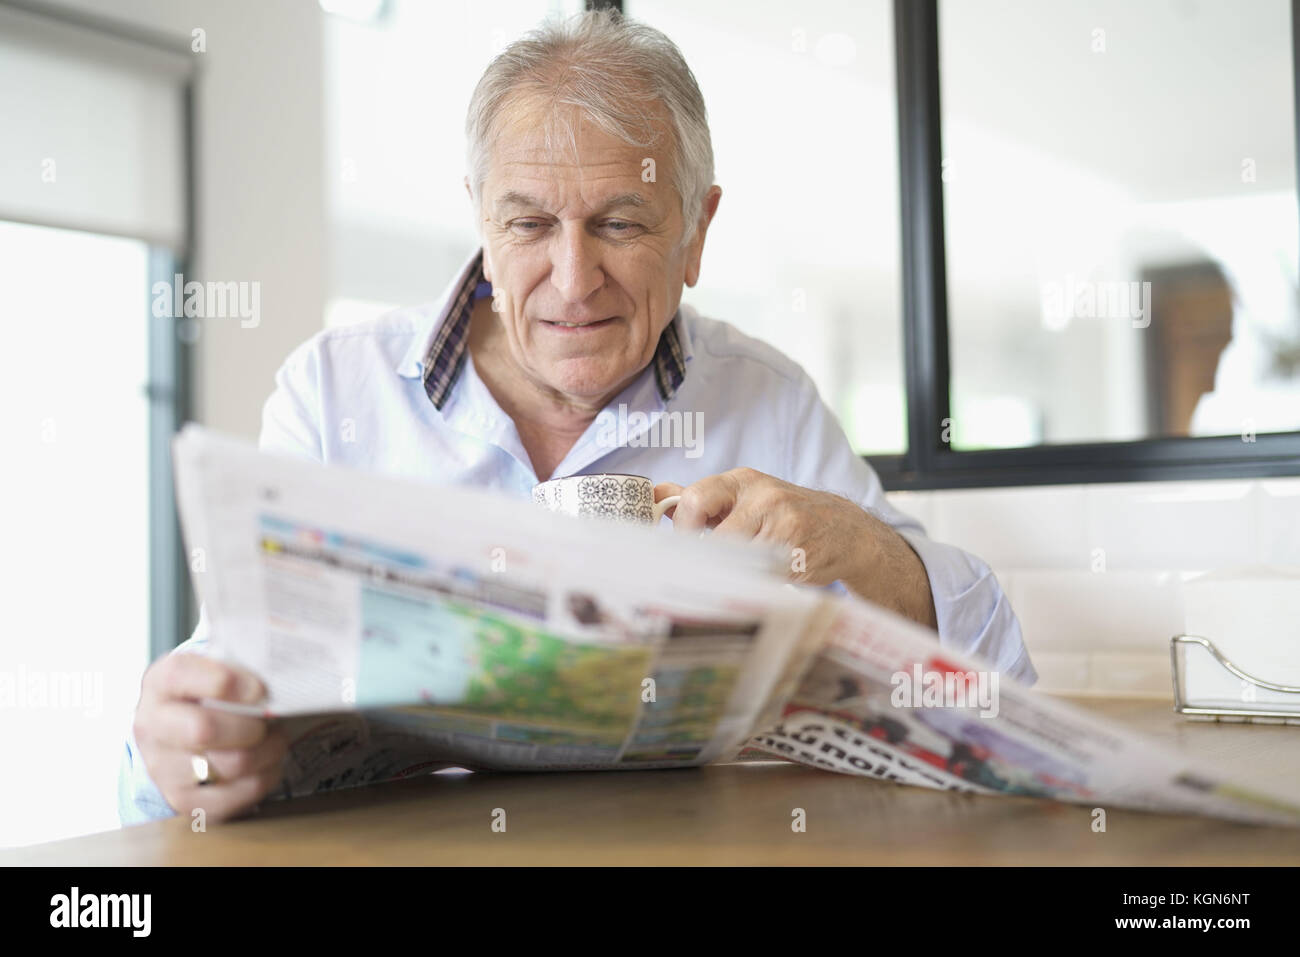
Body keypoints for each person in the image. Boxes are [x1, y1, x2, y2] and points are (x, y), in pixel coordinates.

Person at [121, 9, 1036, 827]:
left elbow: (1000, 679)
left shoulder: (770, 398)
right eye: (527, 225)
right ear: (480, 219)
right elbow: (222, 695)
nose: (570, 279)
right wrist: (184, 745)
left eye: (620, 223)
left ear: (696, 230)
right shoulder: (331, 393)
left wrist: (872, 553)